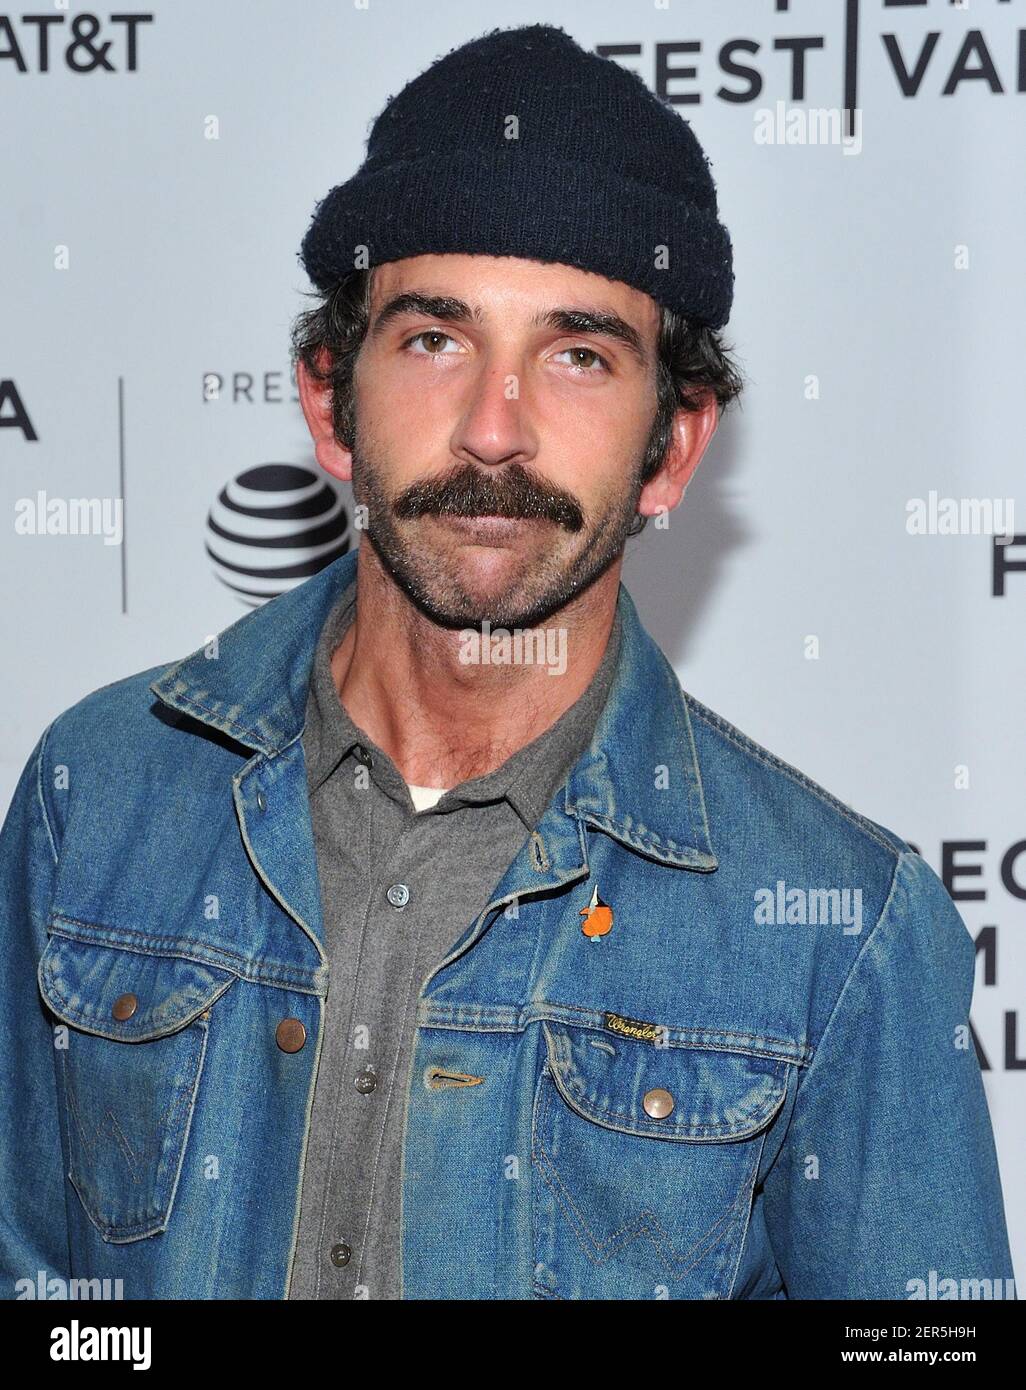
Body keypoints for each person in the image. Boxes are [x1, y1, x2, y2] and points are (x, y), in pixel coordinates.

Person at [0, 23, 1014, 1302]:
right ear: (329, 401)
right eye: (435, 339)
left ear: (673, 447)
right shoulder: (94, 800)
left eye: (579, 354)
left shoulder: (840, 933)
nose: (495, 427)